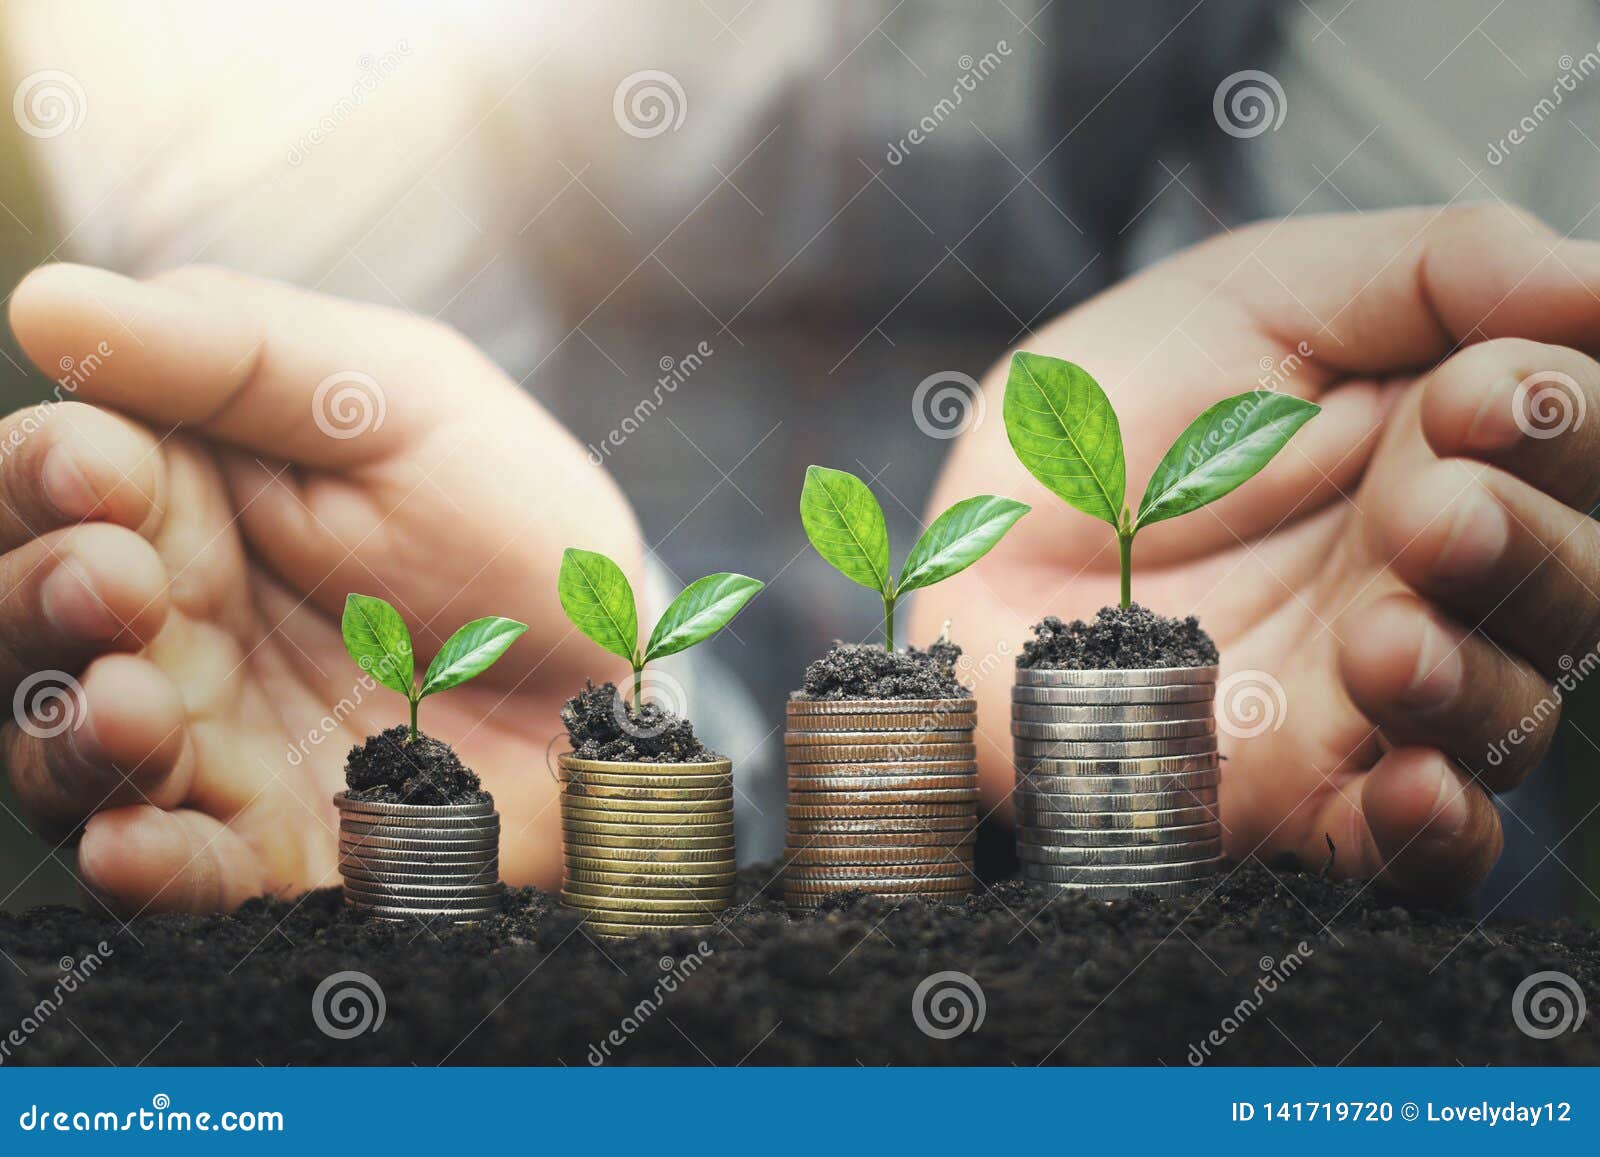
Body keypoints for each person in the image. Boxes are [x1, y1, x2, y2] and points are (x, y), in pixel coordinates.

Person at [3, 202, 1597, 914]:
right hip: (613, 476)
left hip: (1231, 581)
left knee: (1465, 823)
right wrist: (667, 704)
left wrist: (1359, 416)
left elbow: (1416, 135)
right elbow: (336, 182)